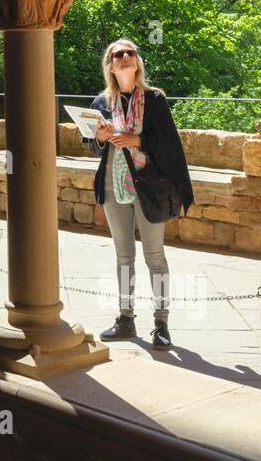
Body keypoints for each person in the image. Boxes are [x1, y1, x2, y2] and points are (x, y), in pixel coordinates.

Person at [83, 38, 194, 351]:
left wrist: (137, 141)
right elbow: (91, 146)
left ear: (137, 62)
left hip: (150, 186)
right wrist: (102, 139)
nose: (125, 56)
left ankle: (161, 323)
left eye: (130, 52)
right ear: (111, 65)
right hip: (112, 184)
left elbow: (170, 144)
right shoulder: (100, 103)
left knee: (154, 256)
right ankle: (125, 318)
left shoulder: (154, 98)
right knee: (123, 256)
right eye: (118, 54)